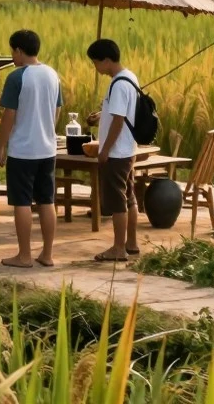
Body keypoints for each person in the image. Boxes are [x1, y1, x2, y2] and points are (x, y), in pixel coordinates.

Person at [0, 28, 62, 268]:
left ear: (19, 51)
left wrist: (1, 146)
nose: (12, 56)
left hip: (23, 150)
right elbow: (58, 108)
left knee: (21, 202)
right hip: (47, 149)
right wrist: (48, 129)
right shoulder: (52, 74)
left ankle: (24, 256)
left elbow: (9, 115)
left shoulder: (17, 77)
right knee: (46, 200)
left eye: (13, 51)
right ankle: (47, 254)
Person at [83, 37, 141, 262]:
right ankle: (131, 243)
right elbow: (119, 114)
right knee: (129, 197)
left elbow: (118, 120)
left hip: (116, 152)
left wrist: (104, 149)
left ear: (106, 60)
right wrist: (102, 115)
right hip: (128, 149)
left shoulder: (118, 84)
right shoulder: (130, 77)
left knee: (118, 201)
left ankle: (118, 248)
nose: (95, 67)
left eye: (96, 62)